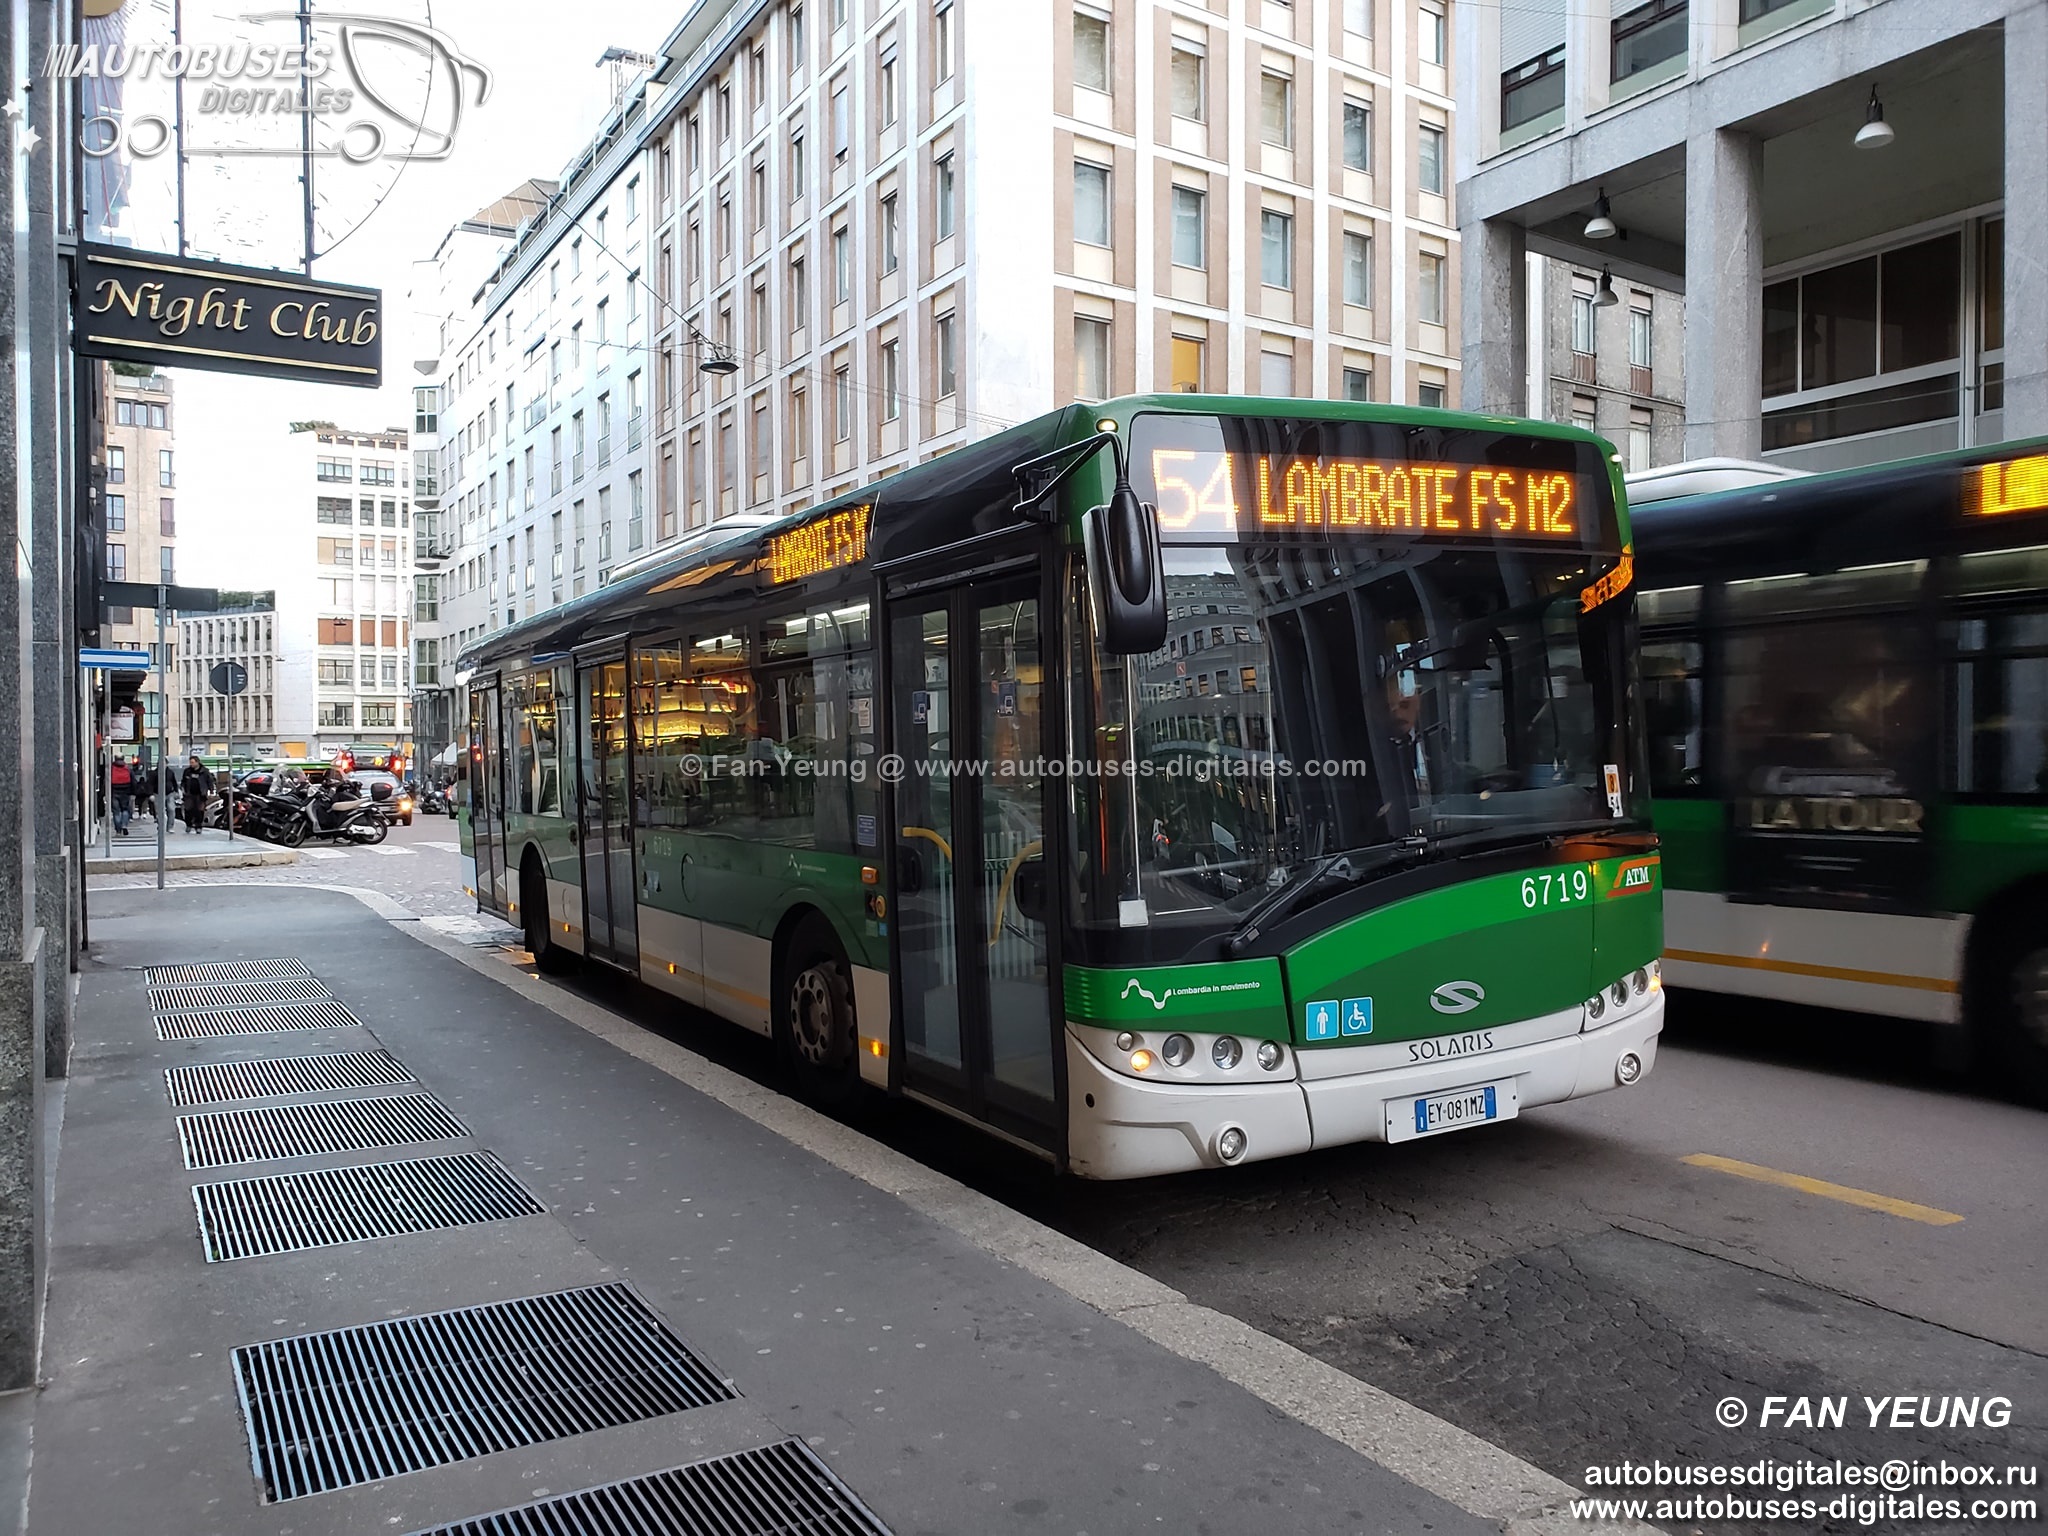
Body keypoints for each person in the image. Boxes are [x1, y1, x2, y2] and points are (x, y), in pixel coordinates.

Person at [179, 754, 212, 835]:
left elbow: (209, 781)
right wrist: (183, 788)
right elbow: (183, 781)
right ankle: (188, 825)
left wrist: (210, 790)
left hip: (201, 794)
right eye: (190, 762)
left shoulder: (205, 771)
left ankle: (198, 826)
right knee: (188, 810)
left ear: (197, 762)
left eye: (193, 762)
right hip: (189, 794)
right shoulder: (187, 771)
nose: (191, 764)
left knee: (199, 811)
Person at [109, 755, 132, 834]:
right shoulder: (127, 768)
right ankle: (124, 825)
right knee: (125, 810)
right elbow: (133, 781)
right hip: (126, 792)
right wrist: (133, 792)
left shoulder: (111, 768)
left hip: (114, 792)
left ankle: (118, 829)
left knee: (116, 812)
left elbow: (107, 780)